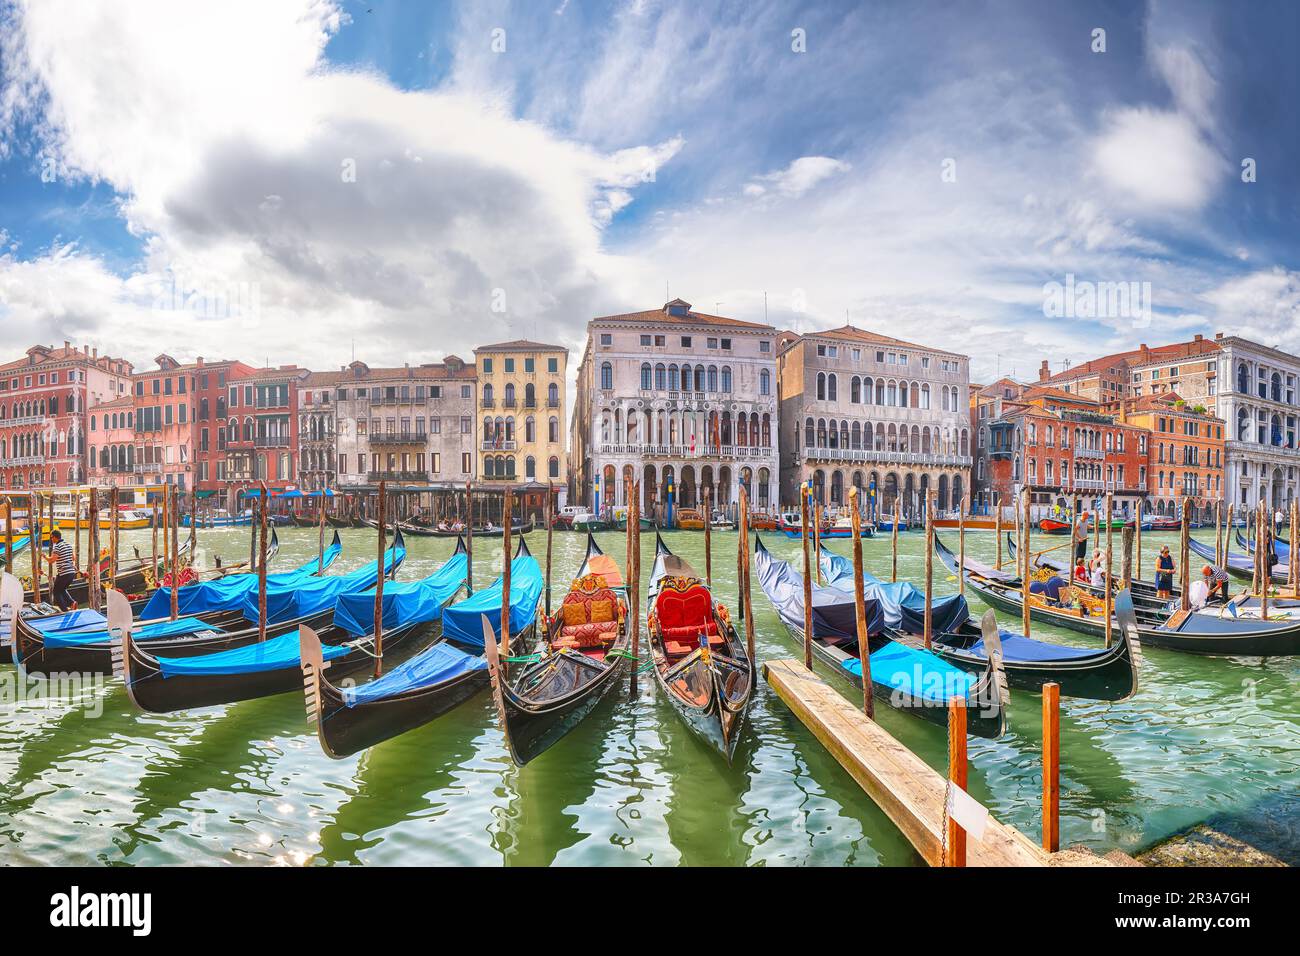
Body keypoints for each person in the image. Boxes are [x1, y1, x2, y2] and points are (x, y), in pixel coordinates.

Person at [43, 530, 78, 611]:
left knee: (56, 592)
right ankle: (72, 603)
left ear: (55, 537)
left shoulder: (57, 547)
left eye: (51, 537)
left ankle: (64, 610)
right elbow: (73, 558)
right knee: (62, 589)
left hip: (64, 573)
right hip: (71, 573)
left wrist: (44, 556)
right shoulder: (68, 545)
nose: (51, 539)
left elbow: (52, 560)